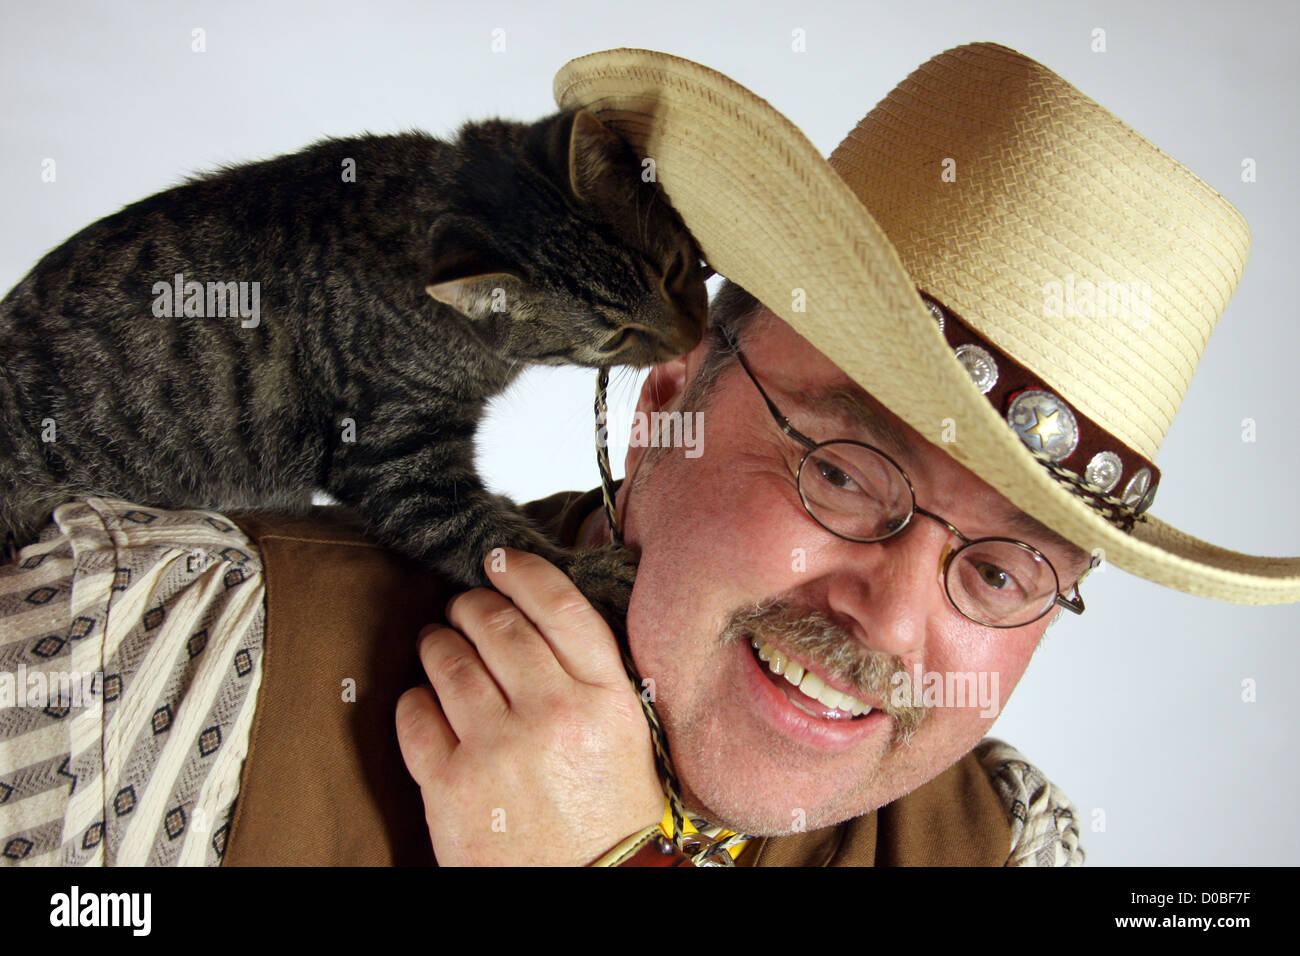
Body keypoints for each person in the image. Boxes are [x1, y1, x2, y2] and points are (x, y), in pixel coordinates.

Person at [3, 42, 1297, 868]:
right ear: (666, 402)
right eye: (844, 471)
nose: (894, 623)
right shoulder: (153, 652)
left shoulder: (1011, 854)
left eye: (1006, 571)